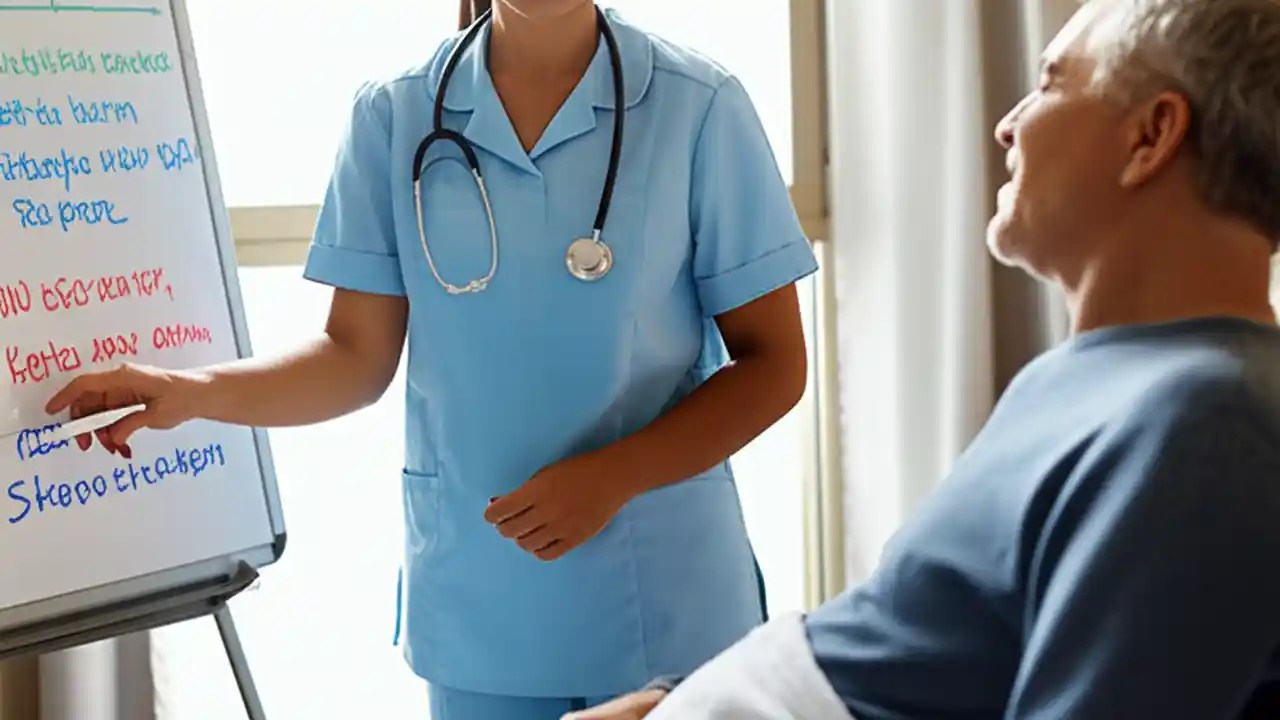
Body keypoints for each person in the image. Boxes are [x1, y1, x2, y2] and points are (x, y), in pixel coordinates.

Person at [44, 0, 817, 718]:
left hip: (668, 602)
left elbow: (774, 363)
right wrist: (189, 391)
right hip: (483, 611)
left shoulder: (699, 106)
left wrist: (617, 474)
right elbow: (353, 357)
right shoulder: (396, 114)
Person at [568, 0, 1280, 718]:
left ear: (1150, 136)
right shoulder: (1083, 380)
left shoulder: (1212, 429)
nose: (1008, 124)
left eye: (1051, 82)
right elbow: (917, 649)